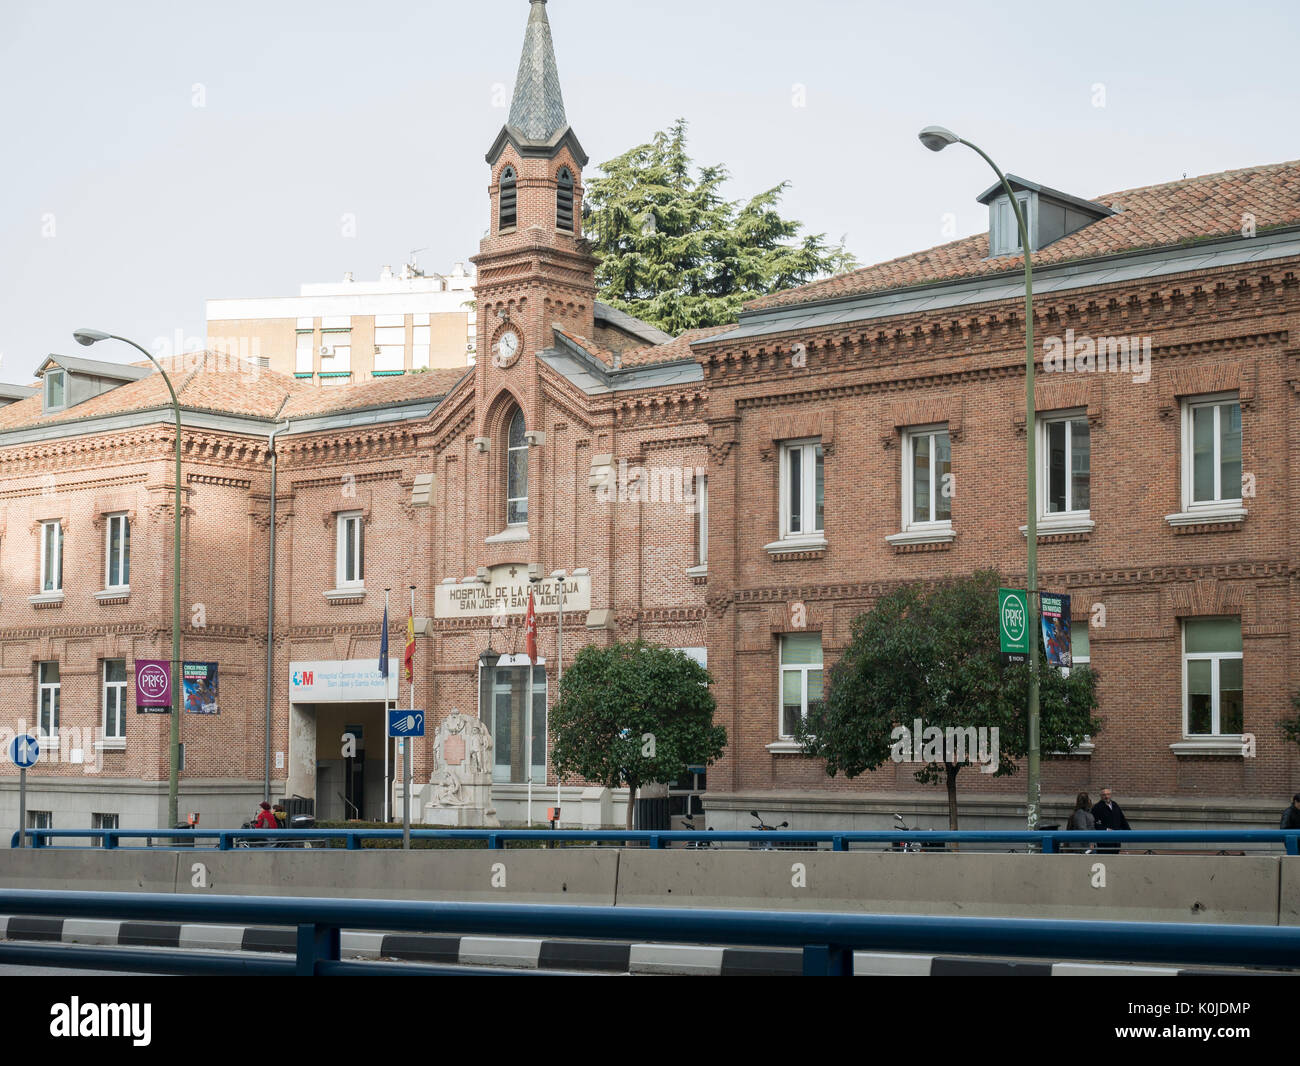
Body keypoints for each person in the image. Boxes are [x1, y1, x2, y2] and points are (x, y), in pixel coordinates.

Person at [1091, 788, 1130, 852]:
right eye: (1104, 795)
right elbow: (1095, 823)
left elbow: (1122, 819)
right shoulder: (1097, 807)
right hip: (1104, 840)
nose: (1106, 797)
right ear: (1100, 796)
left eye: (1108, 794)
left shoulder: (1115, 805)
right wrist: (1106, 829)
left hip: (1116, 839)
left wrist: (1129, 832)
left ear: (1111, 795)